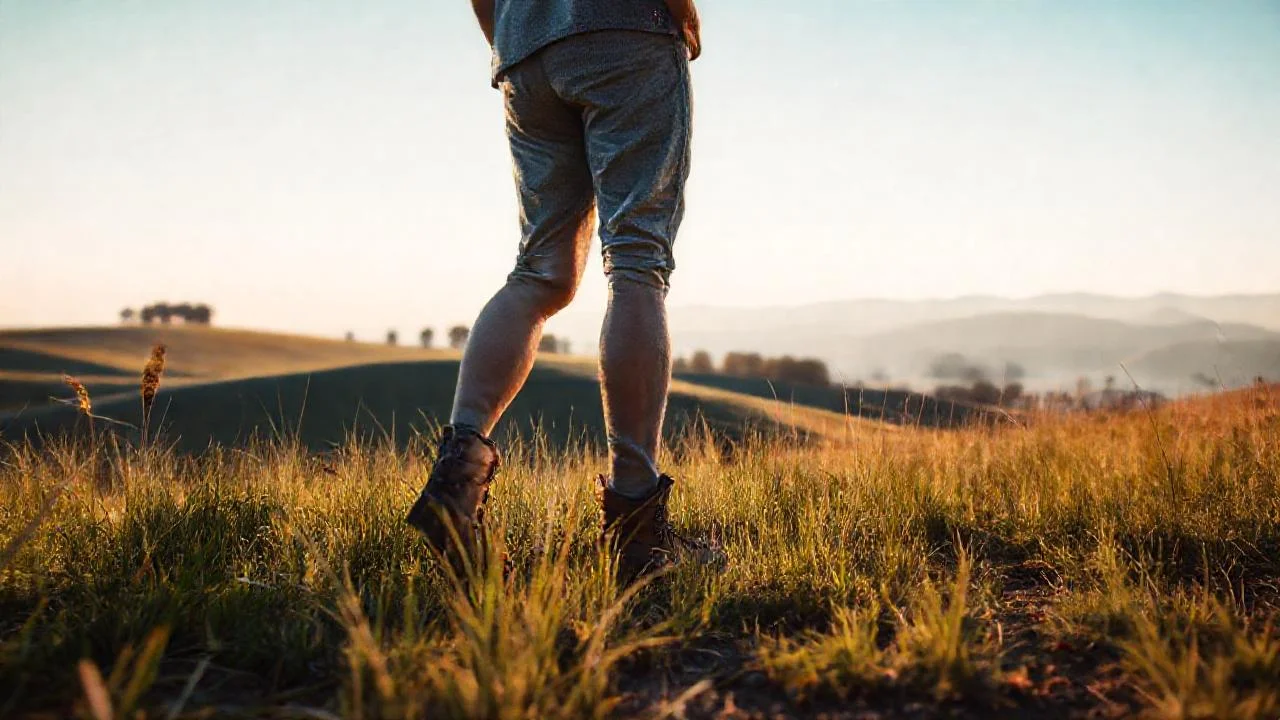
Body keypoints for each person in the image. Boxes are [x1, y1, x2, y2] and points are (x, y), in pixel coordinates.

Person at [406, 0, 720, 581]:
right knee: (636, 260)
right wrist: (680, 14)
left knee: (538, 272)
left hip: (525, 51)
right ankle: (636, 529)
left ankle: (457, 481)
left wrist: (510, 39)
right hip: (627, 28)